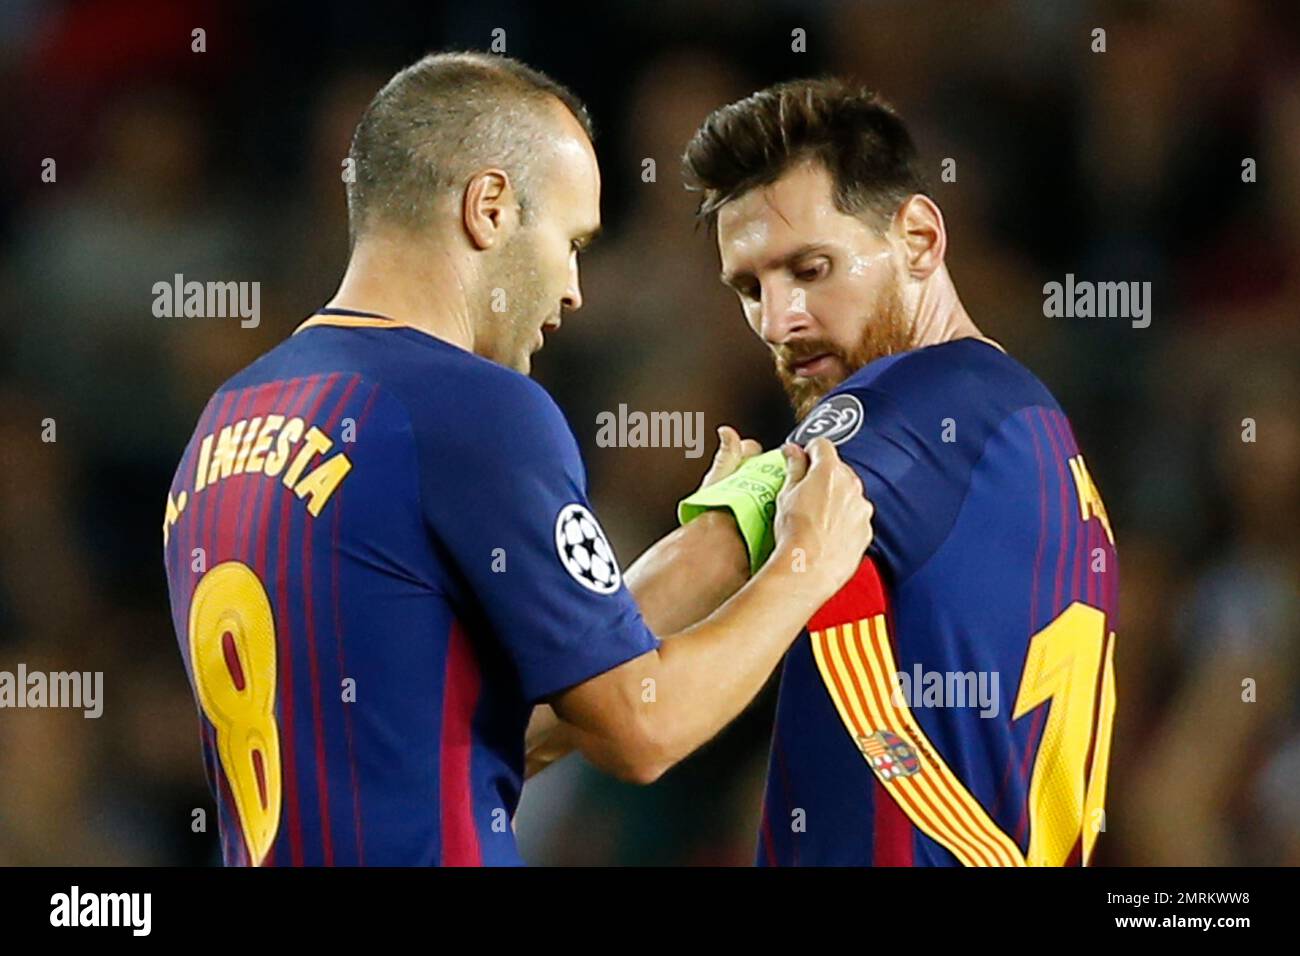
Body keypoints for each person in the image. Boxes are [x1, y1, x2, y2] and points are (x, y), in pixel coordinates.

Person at [160, 53, 873, 866]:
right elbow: (642, 730)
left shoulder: (223, 426)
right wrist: (807, 561)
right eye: (570, 242)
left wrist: (712, 547)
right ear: (490, 207)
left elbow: (487, 735)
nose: (574, 288)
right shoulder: (472, 409)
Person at [678, 78, 1119, 866]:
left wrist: (503, 722)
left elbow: (696, 572)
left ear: (917, 238)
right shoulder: (1029, 433)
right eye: (750, 289)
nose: (779, 322)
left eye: (810, 269)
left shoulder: (912, 401)